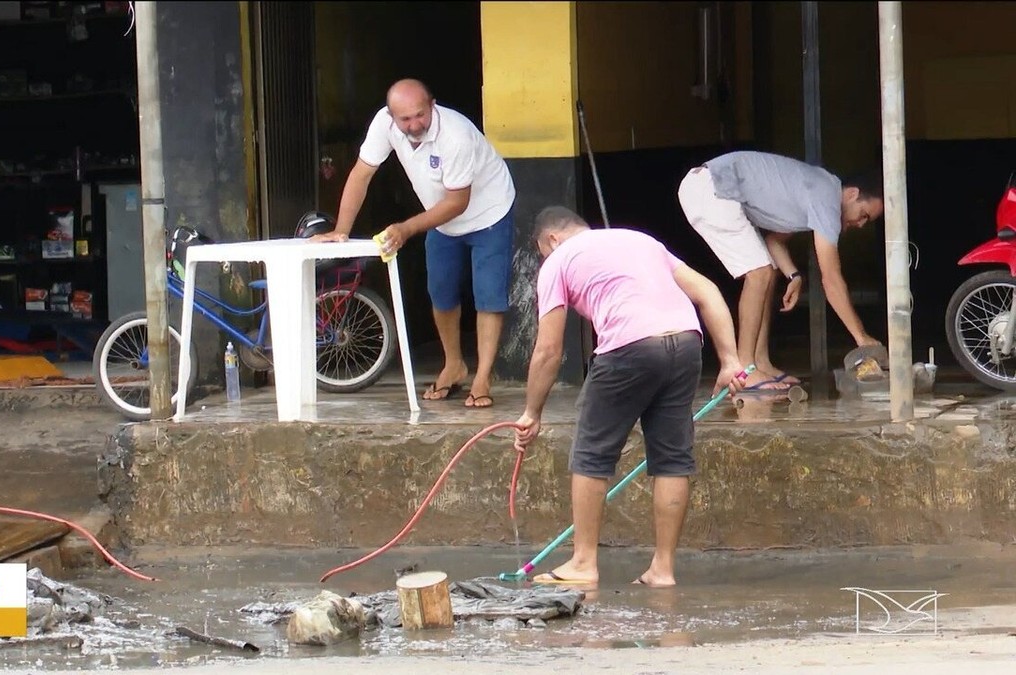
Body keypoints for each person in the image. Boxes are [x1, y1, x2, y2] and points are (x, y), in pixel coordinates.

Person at [513, 206, 747, 588]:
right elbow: (707, 291)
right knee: (672, 457)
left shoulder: (557, 261)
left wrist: (531, 412)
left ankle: (583, 562)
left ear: (551, 239)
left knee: (591, 453)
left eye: (543, 250)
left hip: (628, 346)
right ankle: (663, 569)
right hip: (687, 341)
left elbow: (548, 349)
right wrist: (730, 360)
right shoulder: (640, 240)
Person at [312, 79, 516, 408]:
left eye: (421, 115)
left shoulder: (456, 135)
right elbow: (362, 173)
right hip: (440, 217)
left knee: (488, 296)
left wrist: (406, 228)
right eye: (405, 119)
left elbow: (457, 203)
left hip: (488, 212)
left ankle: (483, 376)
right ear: (391, 116)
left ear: (432, 105)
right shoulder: (384, 124)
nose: (414, 124)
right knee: (441, 292)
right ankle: (454, 365)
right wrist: (342, 229)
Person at [676, 150, 884, 392]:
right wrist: (861, 337)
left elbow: (775, 241)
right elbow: (831, 278)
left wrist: (793, 275)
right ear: (852, 194)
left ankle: (760, 363)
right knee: (760, 273)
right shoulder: (827, 197)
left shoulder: (817, 192)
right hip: (711, 188)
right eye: (863, 215)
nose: (860, 225)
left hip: (714, 188)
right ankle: (744, 369)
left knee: (768, 272)